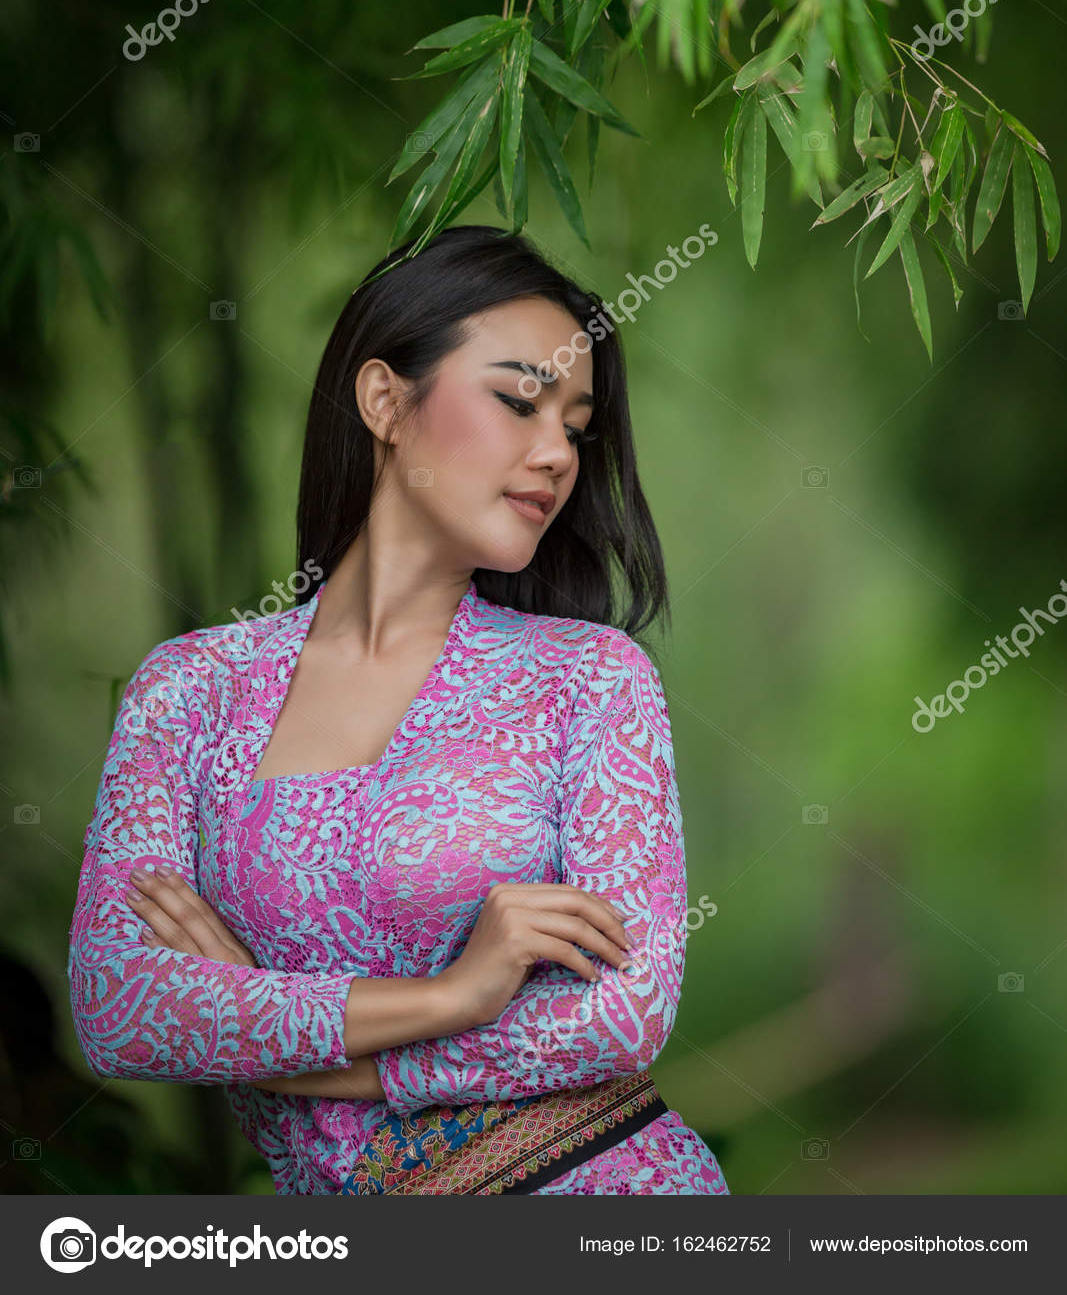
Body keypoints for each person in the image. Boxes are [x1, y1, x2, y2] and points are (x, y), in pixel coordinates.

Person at [67, 224, 729, 1197]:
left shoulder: (589, 678)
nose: (555, 451)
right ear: (384, 399)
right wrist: (451, 993)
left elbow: (621, 1013)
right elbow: (118, 1004)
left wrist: (266, 1032)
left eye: (575, 425)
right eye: (517, 400)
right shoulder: (191, 689)